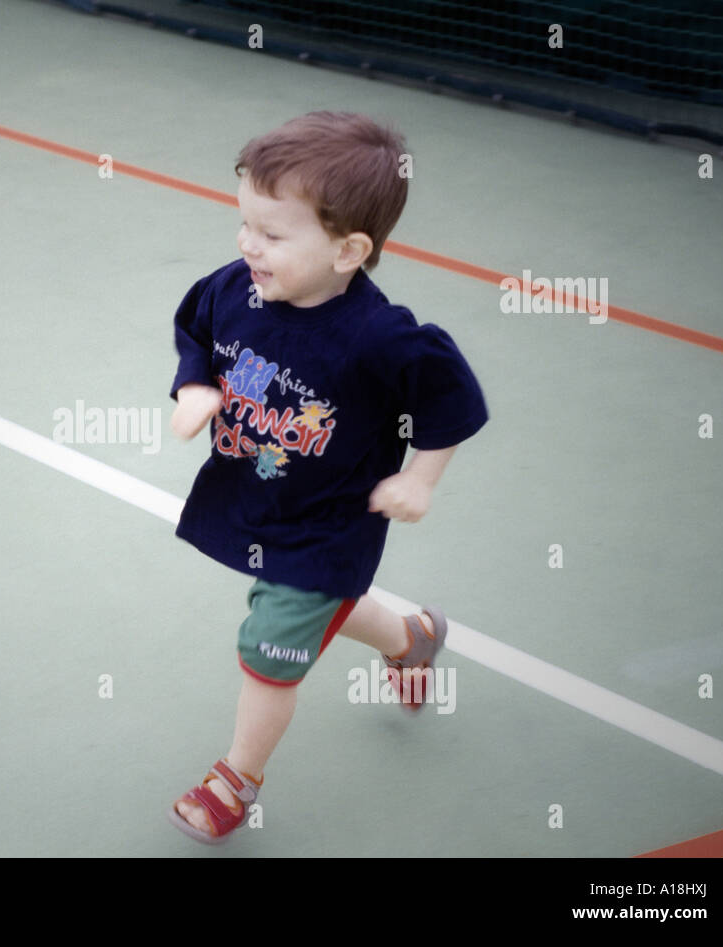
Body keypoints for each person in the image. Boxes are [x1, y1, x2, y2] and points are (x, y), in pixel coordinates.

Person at [167, 111, 488, 844]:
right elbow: (195, 326)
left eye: (273, 234)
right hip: (261, 499)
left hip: (328, 524)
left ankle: (235, 780)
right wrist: (194, 387)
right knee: (323, 609)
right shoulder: (239, 289)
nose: (248, 244)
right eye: (245, 222)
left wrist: (422, 478)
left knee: (270, 648)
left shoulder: (378, 336)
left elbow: (453, 398)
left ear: (349, 249)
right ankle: (411, 638)